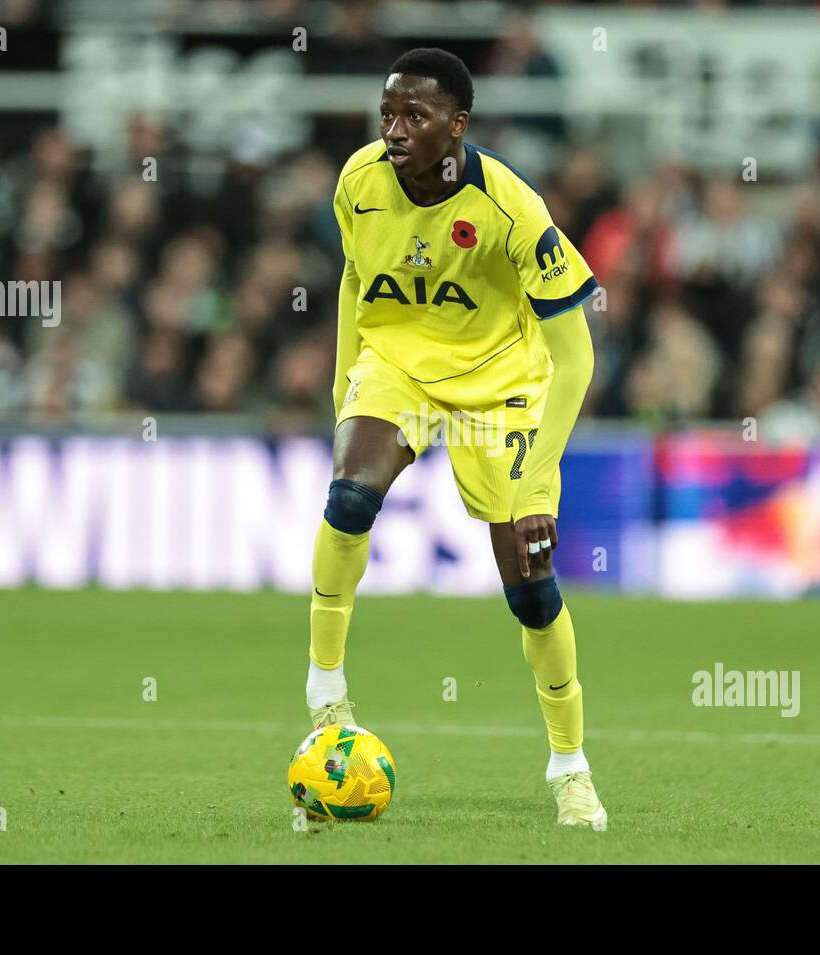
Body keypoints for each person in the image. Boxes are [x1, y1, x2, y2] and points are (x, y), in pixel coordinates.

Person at [304, 48, 605, 827]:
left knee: (532, 587)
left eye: (415, 117)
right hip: (399, 365)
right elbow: (351, 279)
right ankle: (325, 689)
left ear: (457, 125)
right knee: (348, 497)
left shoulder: (511, 209)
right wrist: (345, 391)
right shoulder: (357, 184)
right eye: (387, 114)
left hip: (499, 387)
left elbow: (575, 356)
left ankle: (570, 767)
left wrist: (538, 480)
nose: (394, 131)